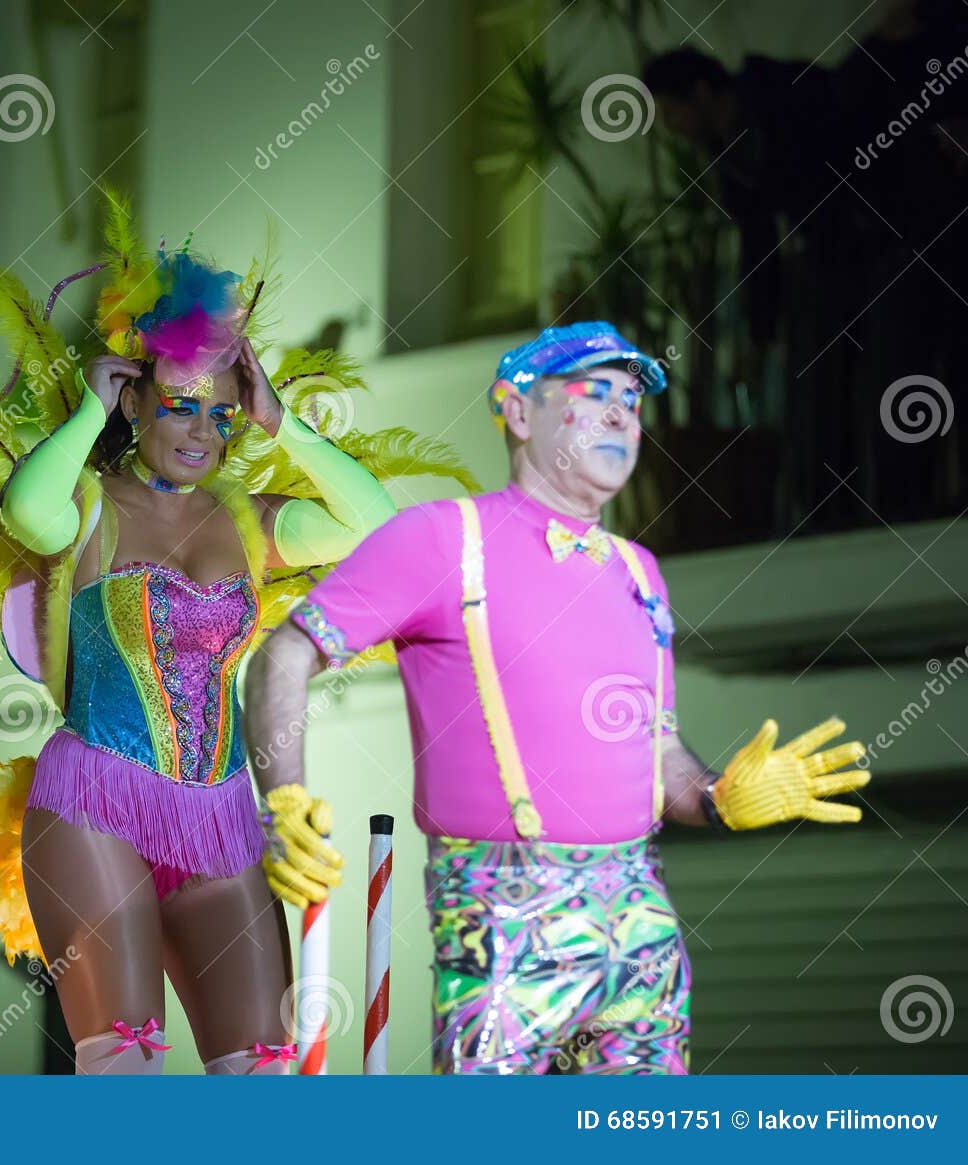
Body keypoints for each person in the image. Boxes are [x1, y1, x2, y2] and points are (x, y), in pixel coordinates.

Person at [0, 192, 473, 1074]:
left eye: (219, 411)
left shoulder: (249, 520)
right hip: (98, 801)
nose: (202, 431)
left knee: (261, 1077)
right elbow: (26, 507)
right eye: (178, 406)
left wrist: (283, 423)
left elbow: (376, 526)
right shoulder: (91, 506)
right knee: (126, 1068)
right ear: (135, 401)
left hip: (222, 820)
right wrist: (90, 413)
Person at [244, 322, 870, 1074]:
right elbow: (285, 650)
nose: (620, 416)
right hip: (503, 909)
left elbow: (660, 754)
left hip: (638, 909)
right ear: (516, 410)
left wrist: (719, 795)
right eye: (593, 393)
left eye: (632, 401)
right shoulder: (444, 539)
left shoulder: (640, 573)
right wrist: (283, 799)